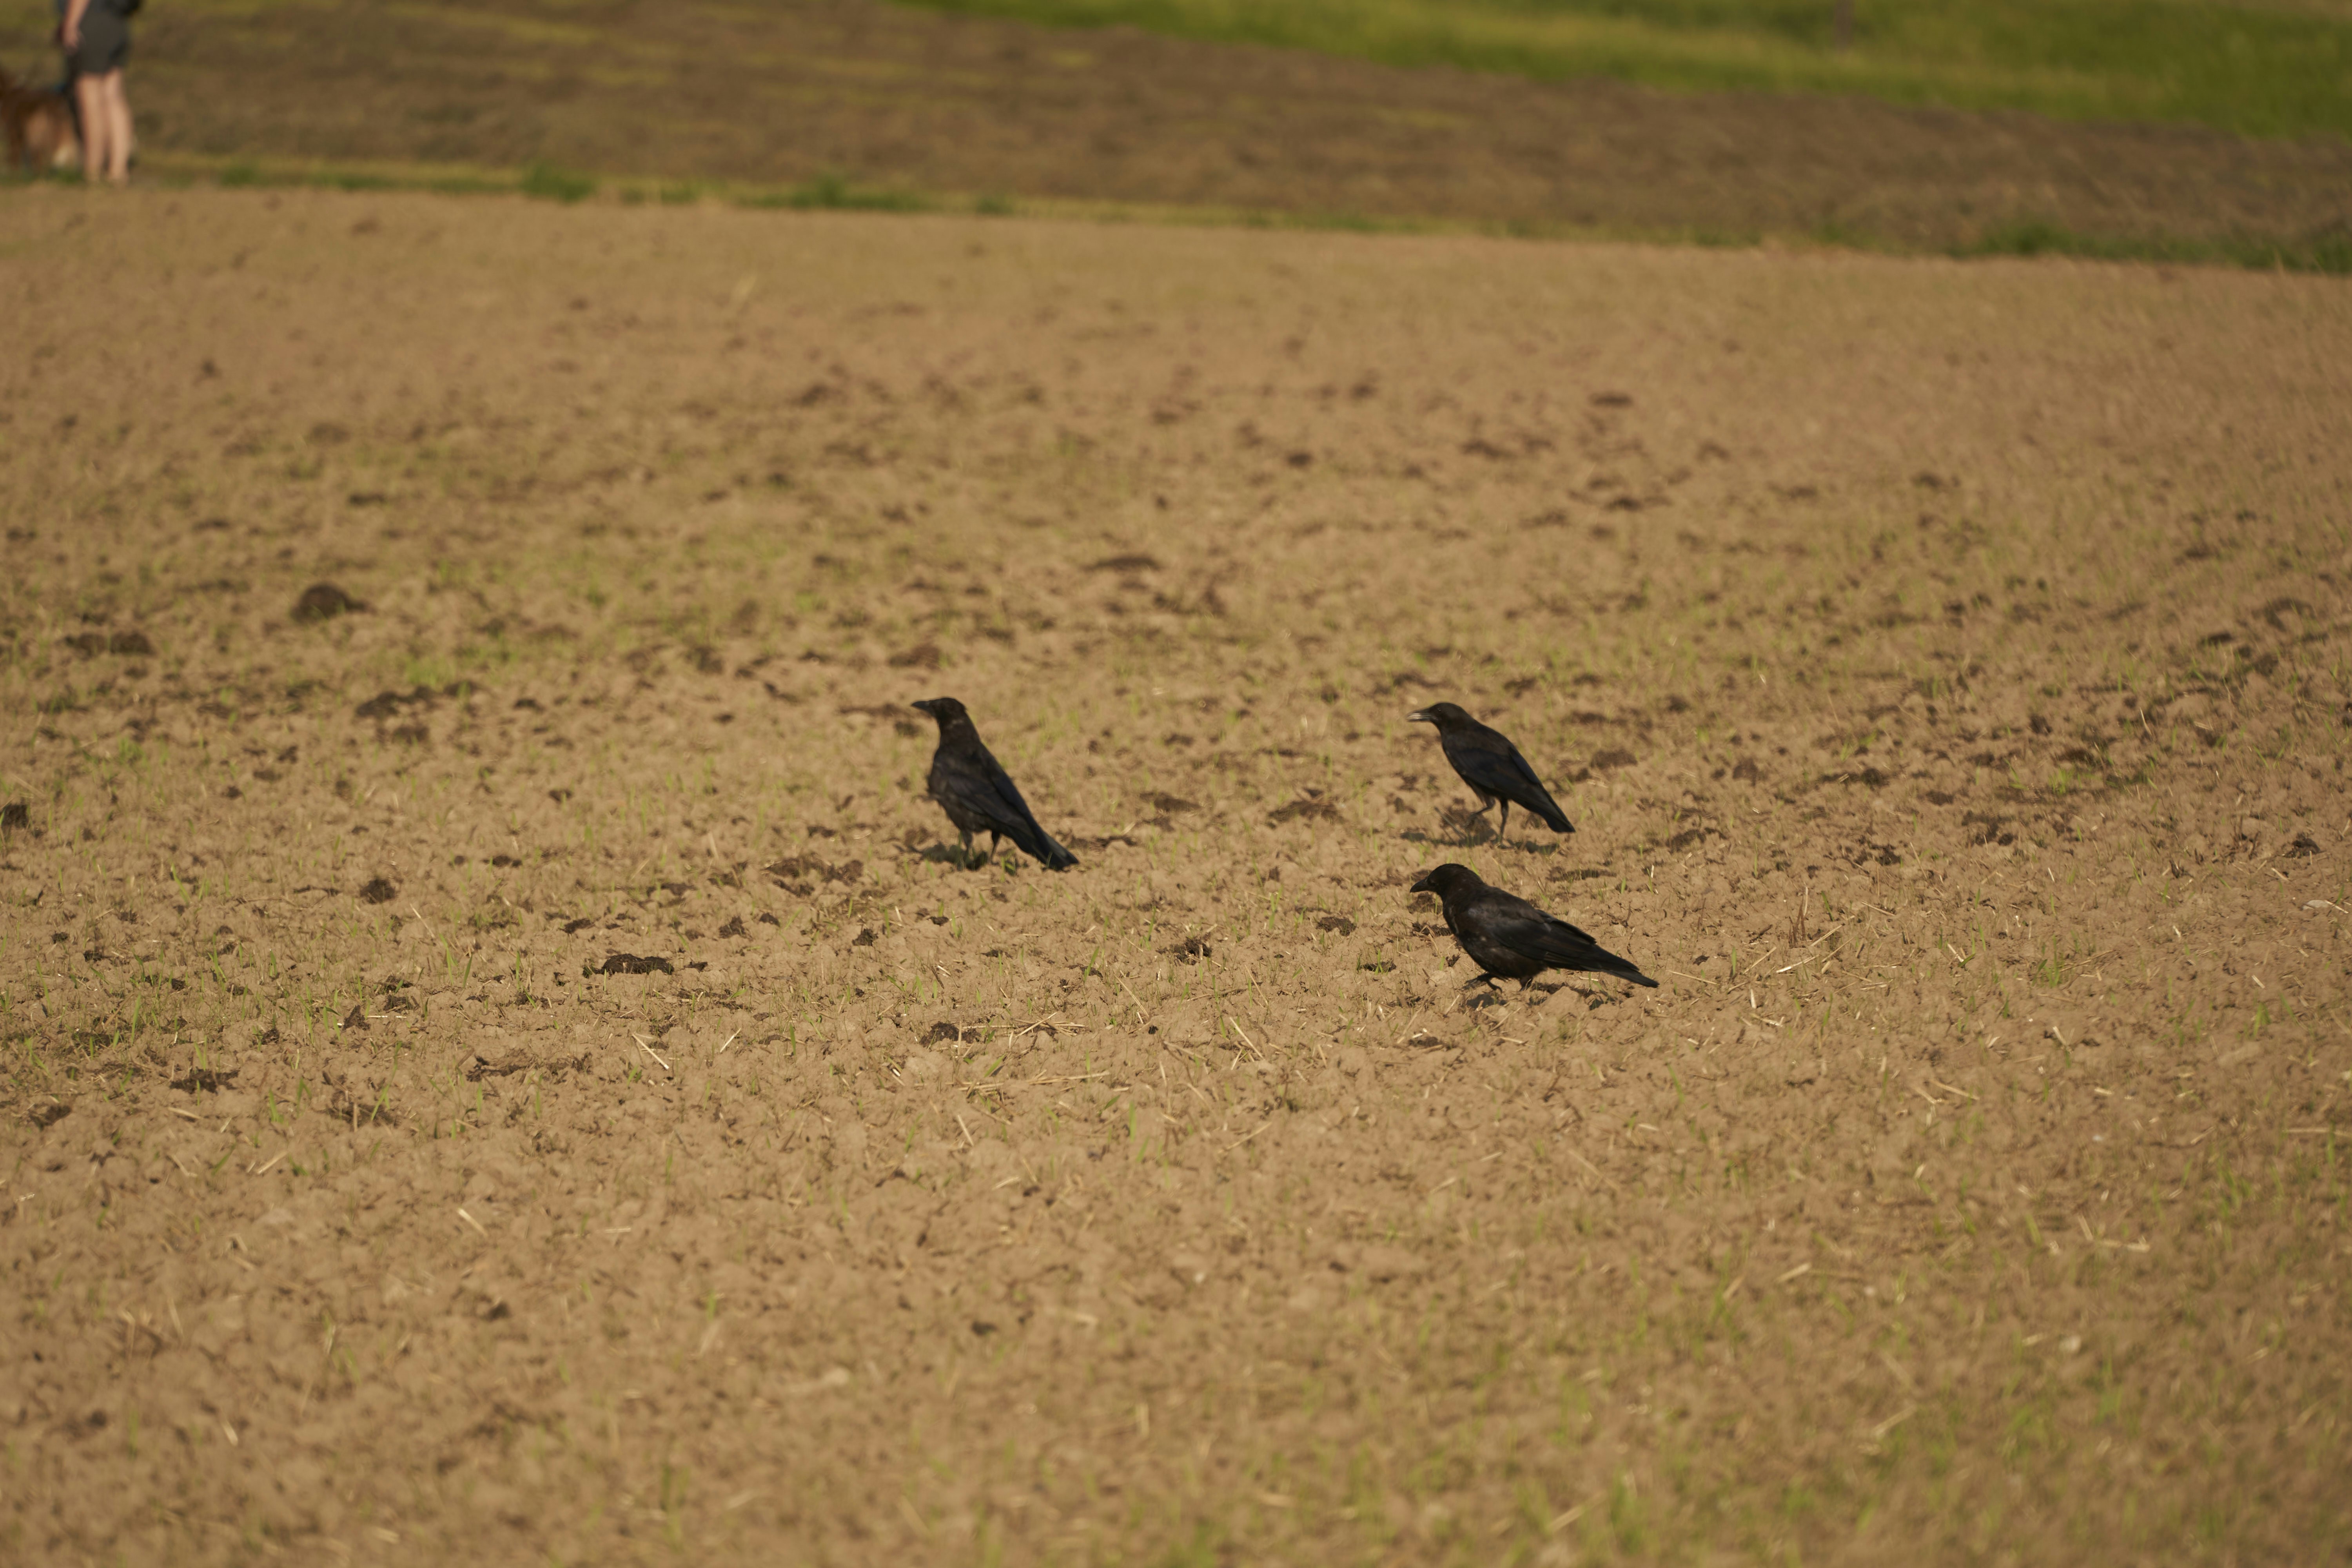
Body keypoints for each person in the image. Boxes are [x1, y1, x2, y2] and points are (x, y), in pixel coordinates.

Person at [57, 0, 131, 185]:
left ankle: (93, 170)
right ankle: (118, 171)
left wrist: (71, 24)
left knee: (90, 99)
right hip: (117, 24)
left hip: (91, 24)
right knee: (113, 97)